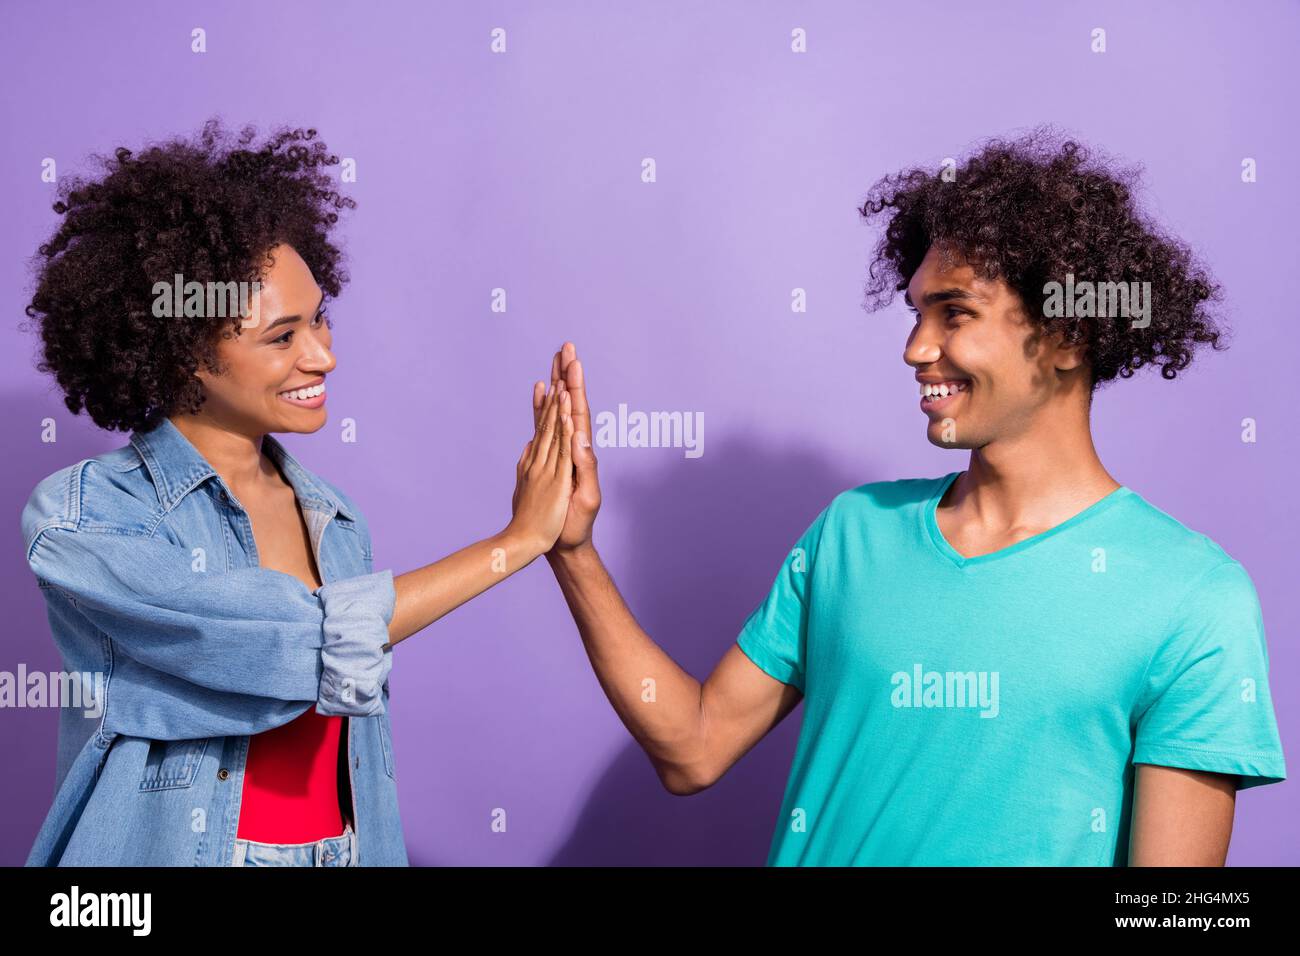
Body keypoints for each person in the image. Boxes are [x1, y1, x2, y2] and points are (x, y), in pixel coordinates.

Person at [539, 131, 1287, 866]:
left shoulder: (1193, 598)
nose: (915, 347)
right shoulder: (852, 534)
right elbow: (694, 749)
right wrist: (572, 551)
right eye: (915, 312)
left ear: (1066, 335)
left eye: (954, 312)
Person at [21, 120, 575, 866]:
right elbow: (295, 648)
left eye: (319, 318)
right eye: (282, 337)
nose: (325, 354)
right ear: (186, 352)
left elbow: (353, 746)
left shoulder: (335, 520)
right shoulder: (87, 519)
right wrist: (514, 544)